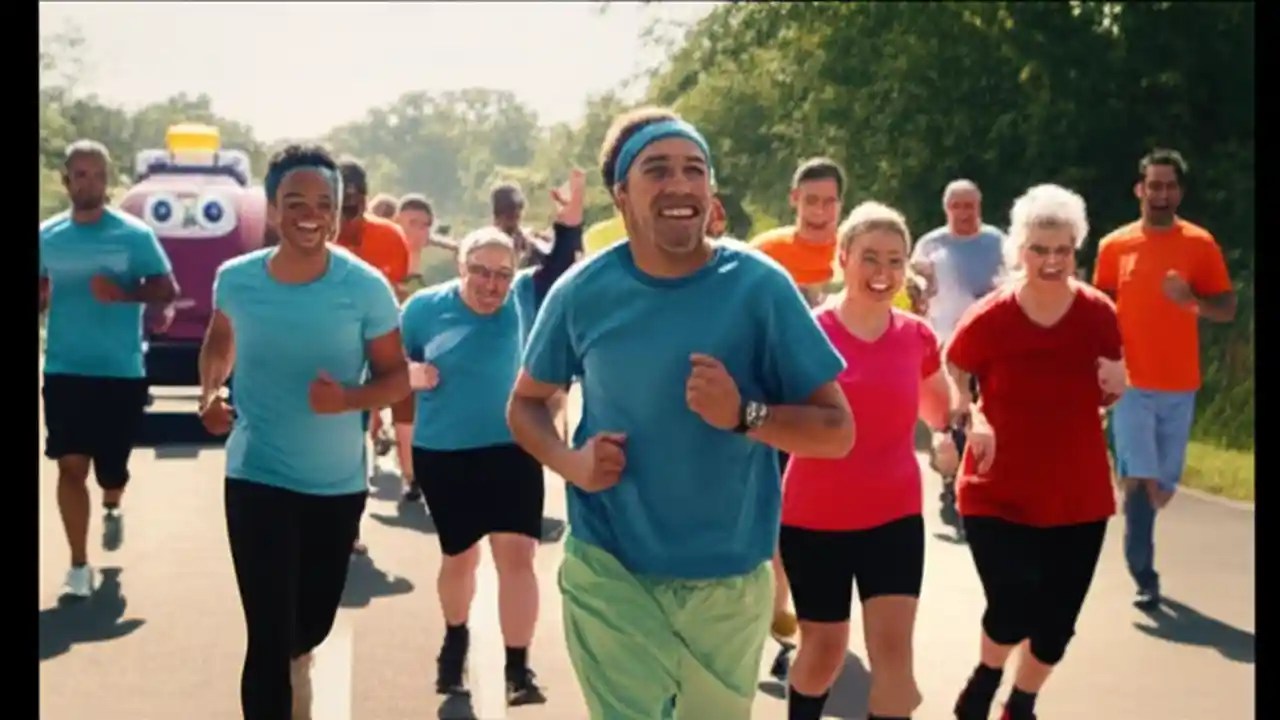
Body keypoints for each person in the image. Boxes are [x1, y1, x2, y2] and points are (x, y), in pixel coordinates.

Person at [506, 107, 854, 720]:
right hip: (610, 565)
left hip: (727, 573)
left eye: (695, 170)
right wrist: (572, 463)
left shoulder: (758, 287)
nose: (680, 185)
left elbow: (836, 431)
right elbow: (527, 404)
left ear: (710, 192)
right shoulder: (584, 292)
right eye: (658, 170)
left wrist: (745, 414)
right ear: (622, 196)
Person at [197, 144, 409, 720]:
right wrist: (211, 391)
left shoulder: (364, 288)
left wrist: (348, 399)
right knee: (267, 638)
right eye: (295, 202)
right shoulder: (236, 280)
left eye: (323, 203)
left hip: (335, 486)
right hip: (256, 475)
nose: (309, 214)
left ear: (339, 213)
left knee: (307, 627)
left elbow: (397, 379)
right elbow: (221, 339)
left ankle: (298, 667)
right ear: (271, 209)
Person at [400, 171, 585, 706]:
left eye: (501, 274)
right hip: (445, 451)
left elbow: (559, 261)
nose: (491, 284)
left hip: (512, 446)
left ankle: (517, 668)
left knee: (518, 556)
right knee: (461, 558)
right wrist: (410, 376)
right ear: (460, 268)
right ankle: (454, 642)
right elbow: (391, 364)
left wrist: (568, 219)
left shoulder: (527, 296)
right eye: (480, 272)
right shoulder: (424, 309)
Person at [945, 184, 1126, 720]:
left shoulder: (1098, 313)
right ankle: (986, 676)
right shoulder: (991, 316)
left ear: (1076, 250)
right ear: (1018, 250)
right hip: (997, 486)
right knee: (1013, 601)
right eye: (1039, 249)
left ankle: (1021, 702)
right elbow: (956, 369)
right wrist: (971, 415)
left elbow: (1109, 384)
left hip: (1078, 491)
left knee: (1056, 624)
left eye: (1062, 249)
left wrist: (1119, 381)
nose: (1051, 260)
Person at [780, 201, 957, 720]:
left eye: (895, 261)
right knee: (823, 652)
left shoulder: (916, 336)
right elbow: (779, 419)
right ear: (843, 257)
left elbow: (940, 409)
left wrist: (959, 429)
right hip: (815, 517)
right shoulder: (809, 333)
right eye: (871, 258)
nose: (883, 273)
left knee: (895, 663)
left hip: (894, 515)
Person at [1092, 148, 1236, 611]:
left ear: (1180, 192)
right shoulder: (1115, 246)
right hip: (1131, 383)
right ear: (1140, 189)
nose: (1161, 193)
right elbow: (1099, 310)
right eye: (1153, 185)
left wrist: (1190, 299)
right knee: (1141, 477)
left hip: (1181, 382)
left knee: (1163, 484)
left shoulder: (1200, 243)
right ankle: (1144, 575)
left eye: (1169, 185)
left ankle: (1135, 481)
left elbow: (1227, 308)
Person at [39, 139, 178, 598]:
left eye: (98, 175)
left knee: (110, 468)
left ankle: (113, 503)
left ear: (107, 179)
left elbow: (166, 289)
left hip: (120, 370)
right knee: (69, 466)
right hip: (64, 367)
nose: (90, 183)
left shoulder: (132, 235)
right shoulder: (48, 237)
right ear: (66, 181)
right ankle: (79, 565)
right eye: (80, 175)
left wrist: (124, 295)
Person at [748, 155, 847, 674]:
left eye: (830, 201)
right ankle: (787, 617)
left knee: (831, 525)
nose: (821, 211)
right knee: (786, 518)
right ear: (794, 200)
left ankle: (810, 625)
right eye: (812, 200)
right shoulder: (768, 254)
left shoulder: (853, 249)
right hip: (782, 410)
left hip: (843, 413)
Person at [910, 179, 1007, 528]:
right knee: (949, 424)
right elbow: (915, 291)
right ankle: (951, 487)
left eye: (971, 206)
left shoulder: (998, 243)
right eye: (958, 207)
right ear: (947, 209)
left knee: (982, 418)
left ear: (980, 208)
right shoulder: (930, 245)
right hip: (943, 346)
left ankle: (974, 493)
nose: (964, 213)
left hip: (990, 347)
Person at [336, 159, 414, 537]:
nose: (348, 211)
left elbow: (394, 293)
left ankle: (349, 526)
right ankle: (345, 526)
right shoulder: (314, 235)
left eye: (354, 201)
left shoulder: (389, 237)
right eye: (341, 200)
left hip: (378, 350)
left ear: (366, 197)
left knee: (364, 430)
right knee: (349, 436)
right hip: (329, 351)